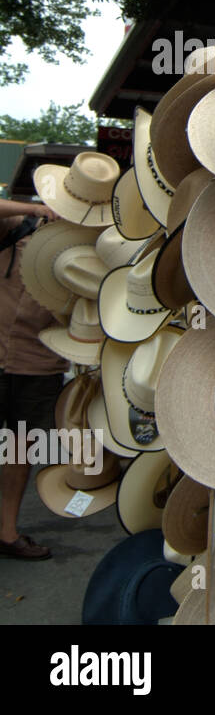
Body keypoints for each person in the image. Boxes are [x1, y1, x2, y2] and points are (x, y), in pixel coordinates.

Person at [0, 196, 66, 560]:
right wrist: (33, 210)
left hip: (40, 362)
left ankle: (7, 533)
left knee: (19, 449)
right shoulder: (16, 228)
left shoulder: (85, 248)